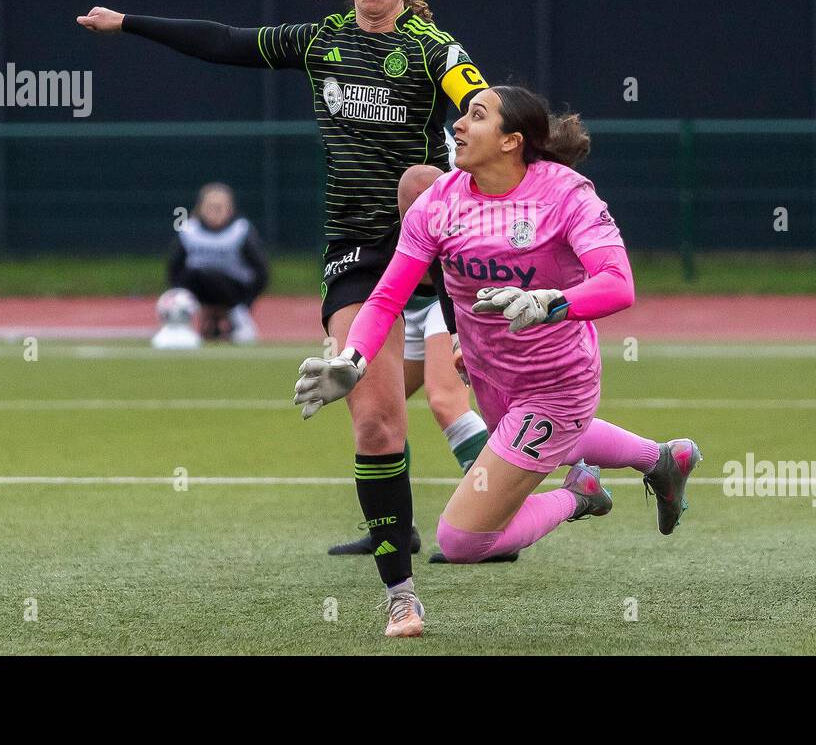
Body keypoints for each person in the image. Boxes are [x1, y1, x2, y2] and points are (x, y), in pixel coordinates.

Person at [78, 0, 489, 638]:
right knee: (374, 419)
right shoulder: (320, 41)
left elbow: (483, 106)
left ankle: (580, 470)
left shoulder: (437, 52)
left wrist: (520, 146)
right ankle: (401, 591)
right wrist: (130, 22)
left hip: (441, 250)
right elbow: (224, 41)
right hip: (360, 254)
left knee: (474, 387)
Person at [293, 86, 702, 598]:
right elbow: (386, 297)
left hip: (559, 383)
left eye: (476, 116)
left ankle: (579, 495)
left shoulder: (566, 193)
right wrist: (353, 361)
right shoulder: (438, 202)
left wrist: (552, 302)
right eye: (463, 115)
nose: (459, 125)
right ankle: (661, 459)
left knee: (461, 538)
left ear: (512, 141)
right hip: (491, 377)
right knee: (560, 440)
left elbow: (619, 283)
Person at [326, 164, 511, 563]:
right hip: (403, 299)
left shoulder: (449, 154)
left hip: (445, 297)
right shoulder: (367, 159)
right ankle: (394, 527)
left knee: (446, 400)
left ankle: (497, 526)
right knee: (377, 407)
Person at [168, 183, 269, 343]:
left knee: (212, 276)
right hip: (199, 289)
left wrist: (247, 304)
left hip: (233, 290)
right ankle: (182, 323)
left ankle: (239, 319)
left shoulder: (240, 231)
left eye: (219, 207)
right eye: (210, 207)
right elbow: (174, 269)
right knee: (193, 274)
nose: (214, 211)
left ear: (230, 209)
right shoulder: (189, 231)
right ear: (200, 207)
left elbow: (261, 272)